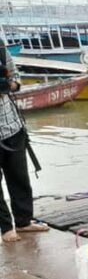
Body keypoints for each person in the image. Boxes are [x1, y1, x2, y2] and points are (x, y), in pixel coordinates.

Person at [1, 40, 49, 242]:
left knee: (20, 177)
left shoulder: (1, 49)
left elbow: (16, 77)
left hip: (12, 125)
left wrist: (10, 85)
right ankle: (5, 228)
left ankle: (23, 221)